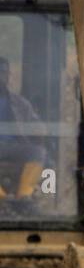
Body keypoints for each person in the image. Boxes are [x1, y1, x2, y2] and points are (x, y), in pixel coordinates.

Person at [0, 55, 44, 198]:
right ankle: (2, 198)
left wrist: (39, 130)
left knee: (37, 152)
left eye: (3, 72)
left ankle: (25, 195)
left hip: (13, 146)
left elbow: (36, 125)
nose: (1, 75)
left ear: (8, 75)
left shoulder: (19, 103)